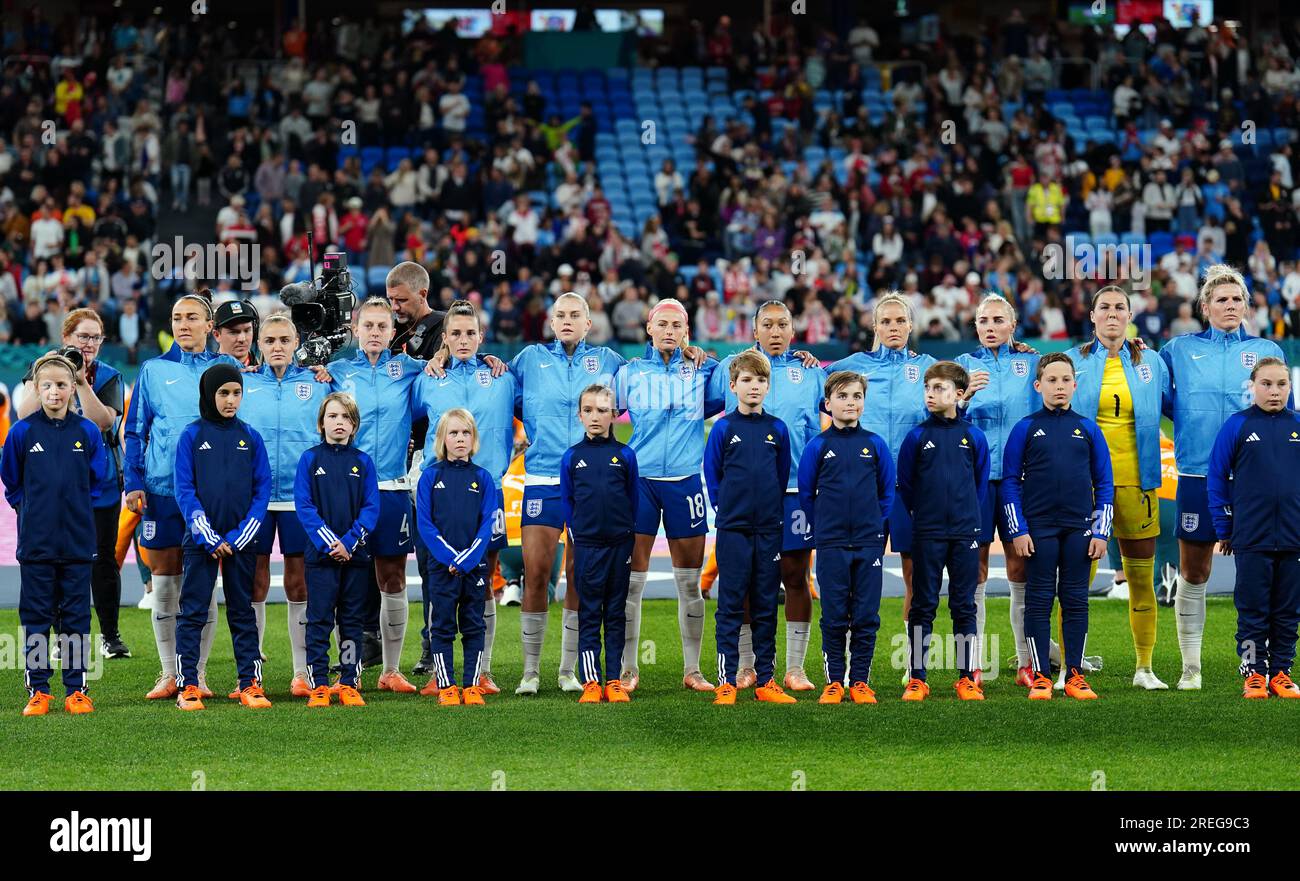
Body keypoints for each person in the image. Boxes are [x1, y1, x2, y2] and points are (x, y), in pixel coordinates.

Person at [1160, 264, 1286, 691]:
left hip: (1253, 478)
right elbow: (1161, 402)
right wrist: (1195, 431)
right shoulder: (1176, 350)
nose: (1230, 306)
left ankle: (1265, 667)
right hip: (1196, 473)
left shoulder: (1267, 348)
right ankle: (1190, 667)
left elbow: (1278, 408)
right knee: (1194, 572)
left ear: (1247, 305)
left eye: (1237, 299)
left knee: (1262, 575)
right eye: (1221, 300)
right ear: (1205, 306)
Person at [505, 294, 632, 695]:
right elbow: (503, 394)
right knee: (537, 572)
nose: (566, 321)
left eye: (575, 315)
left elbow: (641, 388)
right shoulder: (527, 360)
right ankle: (529, 672)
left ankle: (567, 670)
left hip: (592, 480)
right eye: (560, 315)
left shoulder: (611, 362)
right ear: (550, 320)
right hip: (542, 478)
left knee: (580, 577)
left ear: (588, 322)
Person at [124, 292, 240, 700]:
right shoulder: (153, 370)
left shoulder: (227, 368)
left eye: (192, 317)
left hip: (210, 494)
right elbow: (136, 431)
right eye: (176, 317)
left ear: (210, 326)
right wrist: (133, 480)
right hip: (161, 490)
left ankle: (198, 674)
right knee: (165, 581)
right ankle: (168, 672)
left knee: (202, 585)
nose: (183, 324)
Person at [709, 300, 824, 690]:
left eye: (783, 325)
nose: (775, 332)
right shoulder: (730, 369)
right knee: (741, 581)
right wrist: (692, 351)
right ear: (754, 331)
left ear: (794, 331)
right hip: (746, 501)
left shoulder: (811, 374)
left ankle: (794, 667)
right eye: (767, 325)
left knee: (795, 575)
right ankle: (744, 666)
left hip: (794, 492)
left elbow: (842, 407)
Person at [614, 299, 723, 694]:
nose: (670, 331)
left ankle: (692, 669)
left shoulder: (703, 369)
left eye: (677, 325)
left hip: (685, 482)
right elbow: (595, 409)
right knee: (632, 582)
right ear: (649, 328)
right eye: (663, 324)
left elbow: (749, 376)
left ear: (687, 330)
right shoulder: (629, 374)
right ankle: (628, 668)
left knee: (690, 582)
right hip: (639, 482)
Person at [321, 298, 427, 694]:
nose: (375, 333)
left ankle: (391, 669)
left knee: (393, 577)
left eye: (383, 327)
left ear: (391, 331)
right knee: (345, 580)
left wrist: (484, 359)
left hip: (393, 487)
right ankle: (348, 669)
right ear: (356, 327)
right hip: (346, 488)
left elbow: (442, 363)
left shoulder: (409, 369)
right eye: (368, 326)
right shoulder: (336, 372)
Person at [1068, 285, 1170, 690]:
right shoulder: (1071, 361)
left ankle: (1144, 668)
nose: (1112, 314)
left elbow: (1178, 409)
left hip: (1137, 482)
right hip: (1085, 486)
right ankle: (1069, 668)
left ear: (1131, 315)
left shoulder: (1153, 362)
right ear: (1092, 316)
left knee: (1141, 578)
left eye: (1120, 307)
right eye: (1104, 307)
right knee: (1076, 582)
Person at [411, 300, 515, 692]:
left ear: (482, 337)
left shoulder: (504, 377)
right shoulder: (427, 378)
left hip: (488, 493)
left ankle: (481, 671)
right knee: (436, 575)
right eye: (455, 333)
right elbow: (400, 415)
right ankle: (439, 670)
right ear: (445, 337)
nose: (463, 339)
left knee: (483, 578)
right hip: (438, 495)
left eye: (470, 333)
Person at [15, 310, 128, 659]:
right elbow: (24, 416)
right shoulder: (44, 370)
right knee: (52, 560)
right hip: (49, 484)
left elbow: (104, 422)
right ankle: (59, 639)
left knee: (102, 560)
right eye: (83, 337)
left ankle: (110, 635)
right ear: (67, 338)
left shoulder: (108, 376)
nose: (89, 344)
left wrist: (80, 381)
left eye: (96, 338)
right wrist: (50, 370)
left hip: (99, 484)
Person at [1000, 353, 1113, 701]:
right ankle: (1040, 677)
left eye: (1065, 380)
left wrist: (1101, 531)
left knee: (1076, 601)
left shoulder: (1089, 428)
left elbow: (1105, 483)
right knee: (1038, 601)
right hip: (1039, 530)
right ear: (1038, 385)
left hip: (1079, 530)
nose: (1059, 386)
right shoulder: (1026, 428)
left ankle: (1075, 674)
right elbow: (1009, 482)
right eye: (1052, 380)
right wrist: (1018, 529)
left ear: (1075, 385)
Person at [3, 353, 108, 716]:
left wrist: (75, 509)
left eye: (61, 385)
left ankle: (76, 689)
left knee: (77, 616)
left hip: (78, 543)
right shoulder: (22, 432)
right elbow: (12, 482)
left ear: (72, 389)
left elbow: (96, 480)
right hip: (36, 544)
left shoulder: (88, 432)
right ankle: (39, 690)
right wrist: (30, 510)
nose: (53, 392)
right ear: (35, 388)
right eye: (45, 385)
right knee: (36, 616)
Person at [828, 293, 935, 638]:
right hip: (861, 488)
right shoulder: (851, 367)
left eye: (900, 320)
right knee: (854, 576)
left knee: (915, 575)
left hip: (911, 489)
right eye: (885, 321)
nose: (893, 327)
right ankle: (851, 665)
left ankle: (912, 664)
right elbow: (808, 389)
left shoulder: (926, 368)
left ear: (910, 325)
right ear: (874, 326)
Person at [954, 295, 1044, 686]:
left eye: (998, 320)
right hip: (972, 481)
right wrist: (963, 397)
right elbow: (939, 415)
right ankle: (971, 664)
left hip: (1019, 480)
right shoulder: (961, 366)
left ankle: (1027, 662)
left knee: (1020, 566)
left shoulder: (1032, 362)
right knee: (971, 571)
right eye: (982, 320)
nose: (989, 326)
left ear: (1013, 324)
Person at [172, 363, 272, 711]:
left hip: (241, 543)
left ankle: (249, 683)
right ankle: (188, 685)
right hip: (202, 543)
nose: (231, 400)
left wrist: (239, 536)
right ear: (208, 395)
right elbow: (184, 490)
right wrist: (209, 537)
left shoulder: (250, 437)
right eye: (223, 393)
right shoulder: (192, 436)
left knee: (242, 612)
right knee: (193, 612)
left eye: (236, 393)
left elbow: (263, 492)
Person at [797, 370, 894, 705]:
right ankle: (835, 681)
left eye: (856, 396)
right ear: (828, 404)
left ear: (864, 403)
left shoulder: (875, 445)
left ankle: (861, 681)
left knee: (866, 616)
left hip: (868, 543)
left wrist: (873, 525)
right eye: (842, 396)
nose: (850, 402)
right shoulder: (818, 446)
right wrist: (825, 527)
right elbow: (806, 494)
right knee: (835, 615)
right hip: (831, 542)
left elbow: (886, 494)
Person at [703, 350, 794, 705]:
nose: (753, 386)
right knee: (730, 603)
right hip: (733, 529)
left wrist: (768, 510)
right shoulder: (724, 428)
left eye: (760, 381)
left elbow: (781, 473)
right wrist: (728, 509)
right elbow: (714, 476)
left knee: (766, 604)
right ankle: (726, 681)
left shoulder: (777, 429)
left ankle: (766, 680)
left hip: (769, 529)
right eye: (746, 380)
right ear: (733, 386)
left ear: (768, 386)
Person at [895, 362, 990, 702]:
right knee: (923, 604)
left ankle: (966, 677)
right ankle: (918, 678)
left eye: (940, 389)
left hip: (964, 533)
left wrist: (965, 518)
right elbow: (906, 485)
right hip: (928, 533)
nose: (931, 395)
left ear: (960, 394)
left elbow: (979, 484)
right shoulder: (917, 436)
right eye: (928, 388)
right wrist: (925, 516)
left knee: (964, 605)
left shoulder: (973, 437)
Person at [1207, 356, 1300, 699]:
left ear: (1290, 387)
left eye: (1281, 385)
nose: (1274, 392)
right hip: (1251, 536)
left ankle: (1281, 672)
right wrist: (1224, 527)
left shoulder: (1298, 425)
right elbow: (1217, 478)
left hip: (1294, 537)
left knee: (1289, 610)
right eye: (1266, 384)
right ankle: (1253, 672)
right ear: (1253, 387)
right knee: (1252, 609)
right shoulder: (1237, 425)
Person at [240, 315, 320, 696]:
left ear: (296, 342)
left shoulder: (316, 383)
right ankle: (251, 673)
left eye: (284, 340)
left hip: (297, 496)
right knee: (254, 580)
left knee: (298, 581)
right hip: (255, 497)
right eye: (269, 340)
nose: (276, 346)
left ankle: (302, 672)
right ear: (259, 342)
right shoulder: (244, 382)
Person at [295, 392, 380, 708]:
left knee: (352, 622)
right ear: (321, 422)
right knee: (318, 620)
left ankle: (348, 682)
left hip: (355, 558)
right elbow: (304, 506)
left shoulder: (363, 462)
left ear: (354, 424)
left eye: (345, 417)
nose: (339, 422)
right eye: (333, 416)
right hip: (321, 559)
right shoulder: (310, 459)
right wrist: (331, 543)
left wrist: (350, 543)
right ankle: (318, 684)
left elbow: (371, 507)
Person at [560, 385, 639, 703]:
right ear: (580, 415)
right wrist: (580, 536)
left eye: (602, 410)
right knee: (589, 611)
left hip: (620, 546)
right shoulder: (572, 457)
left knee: (616, 612)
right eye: (588, 410)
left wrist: (623, 533)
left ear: (614, 416)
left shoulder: (625, 456)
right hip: (588, 547)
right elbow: (568, 503)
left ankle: (614, 681)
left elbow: (632, 500)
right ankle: (592, 681)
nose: (595, 416)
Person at [414, 409, 497, 706]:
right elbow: (425, 524)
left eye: (466, 433)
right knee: (443, 627)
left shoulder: (483, 478)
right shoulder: (430, 476)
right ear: (442, 439)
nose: (460, 439)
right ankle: (447, 686)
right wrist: (450, 557)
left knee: (474, 625)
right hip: (441, 567)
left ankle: (471, 685)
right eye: (453, 433)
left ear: (473, 438)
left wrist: (468, 559)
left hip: (473, 567)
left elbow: (487, 524)